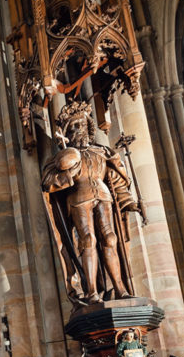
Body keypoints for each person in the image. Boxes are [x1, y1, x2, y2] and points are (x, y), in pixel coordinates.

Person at [42, 101, 141, 305]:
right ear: (68, 133)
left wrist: (128, 202)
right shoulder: (67, 156)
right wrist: (68, 172)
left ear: (89, 128)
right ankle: (92, 292)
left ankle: (120, 289)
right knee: (88, 239)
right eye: (74, 127)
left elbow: (116, 181)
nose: (79, 130)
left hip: (104, 196)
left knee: (111, 238)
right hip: (79, 197)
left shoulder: (102, 152)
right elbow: (48, 182)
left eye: (81, 125)